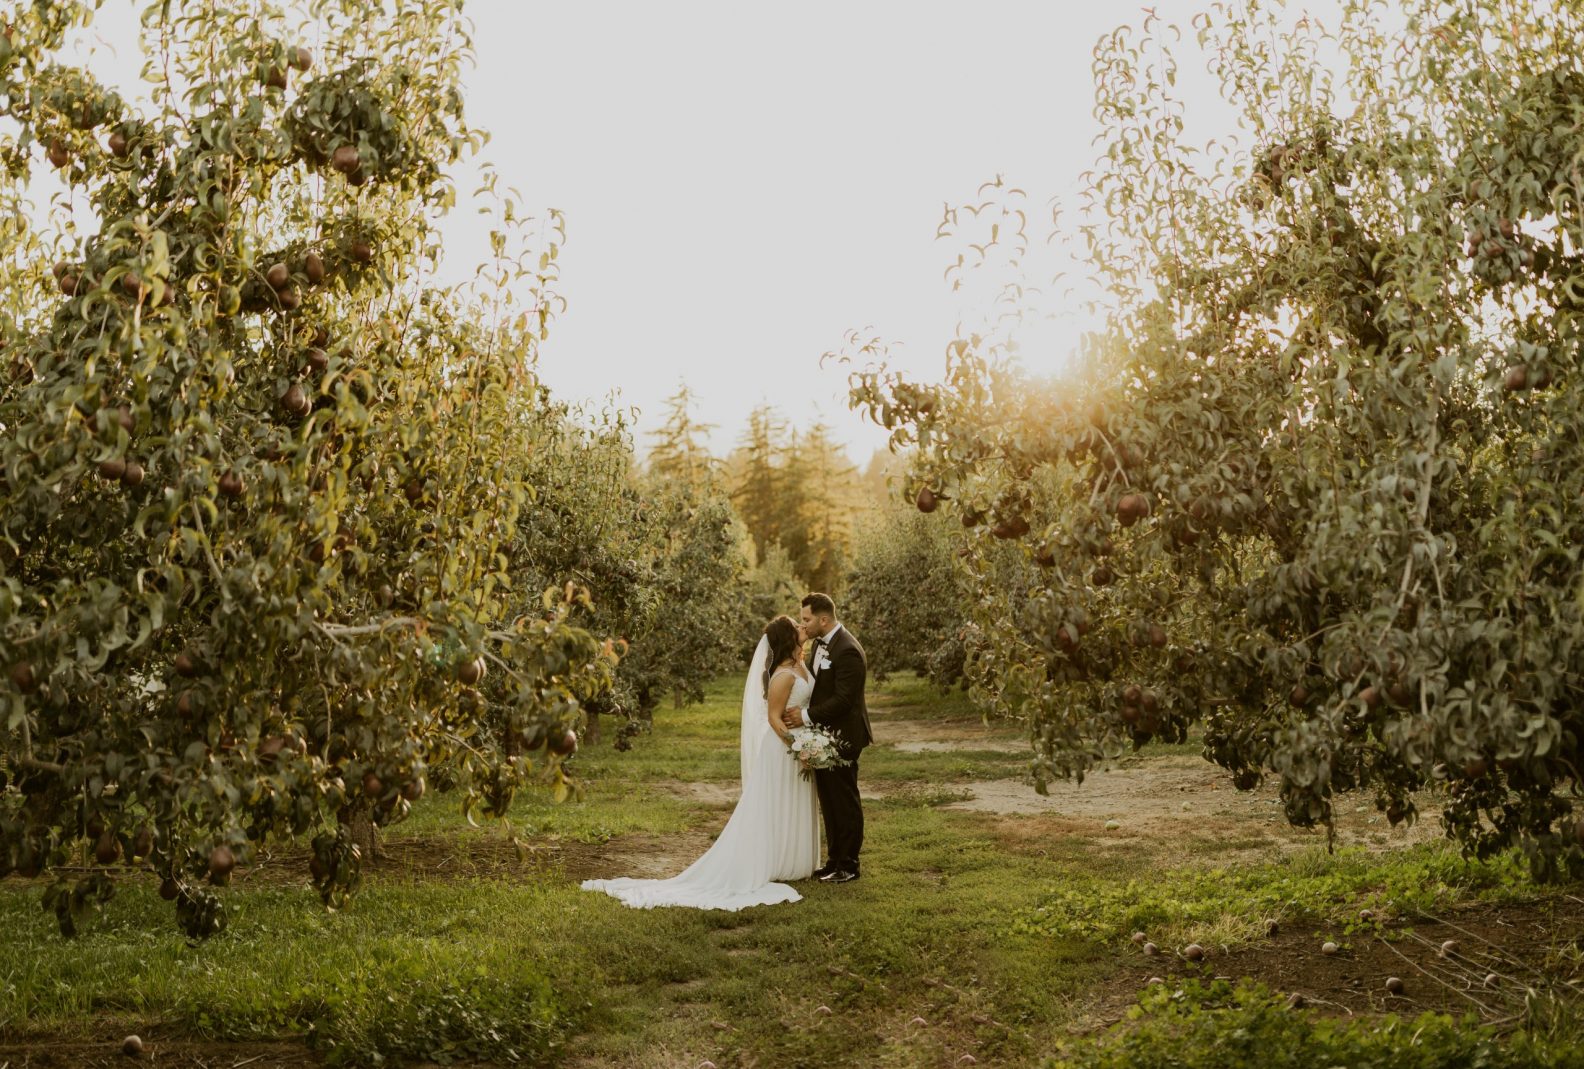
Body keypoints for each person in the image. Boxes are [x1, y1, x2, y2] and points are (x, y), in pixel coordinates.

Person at [581, 615, 820, 909]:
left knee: (792, 800)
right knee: (777, 803)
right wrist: (799, 748)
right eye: (796, 625)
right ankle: (777, 862)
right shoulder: (784, 675)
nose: (801, 626)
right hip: (784, 749)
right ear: (787, 637)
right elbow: (773, 718)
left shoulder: (801, 665)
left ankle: (792, 860)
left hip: (799, 745)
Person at [783, 592, 871, 883]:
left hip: (844, 737)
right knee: (830, 801)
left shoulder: (847, 649)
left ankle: (849, 864)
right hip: (824, 738)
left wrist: (805, 717)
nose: (803, 624)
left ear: (823, 619)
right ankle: (834, 860)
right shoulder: (822, 645)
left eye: (806, 619)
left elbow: (844, 700)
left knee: (844, 801)